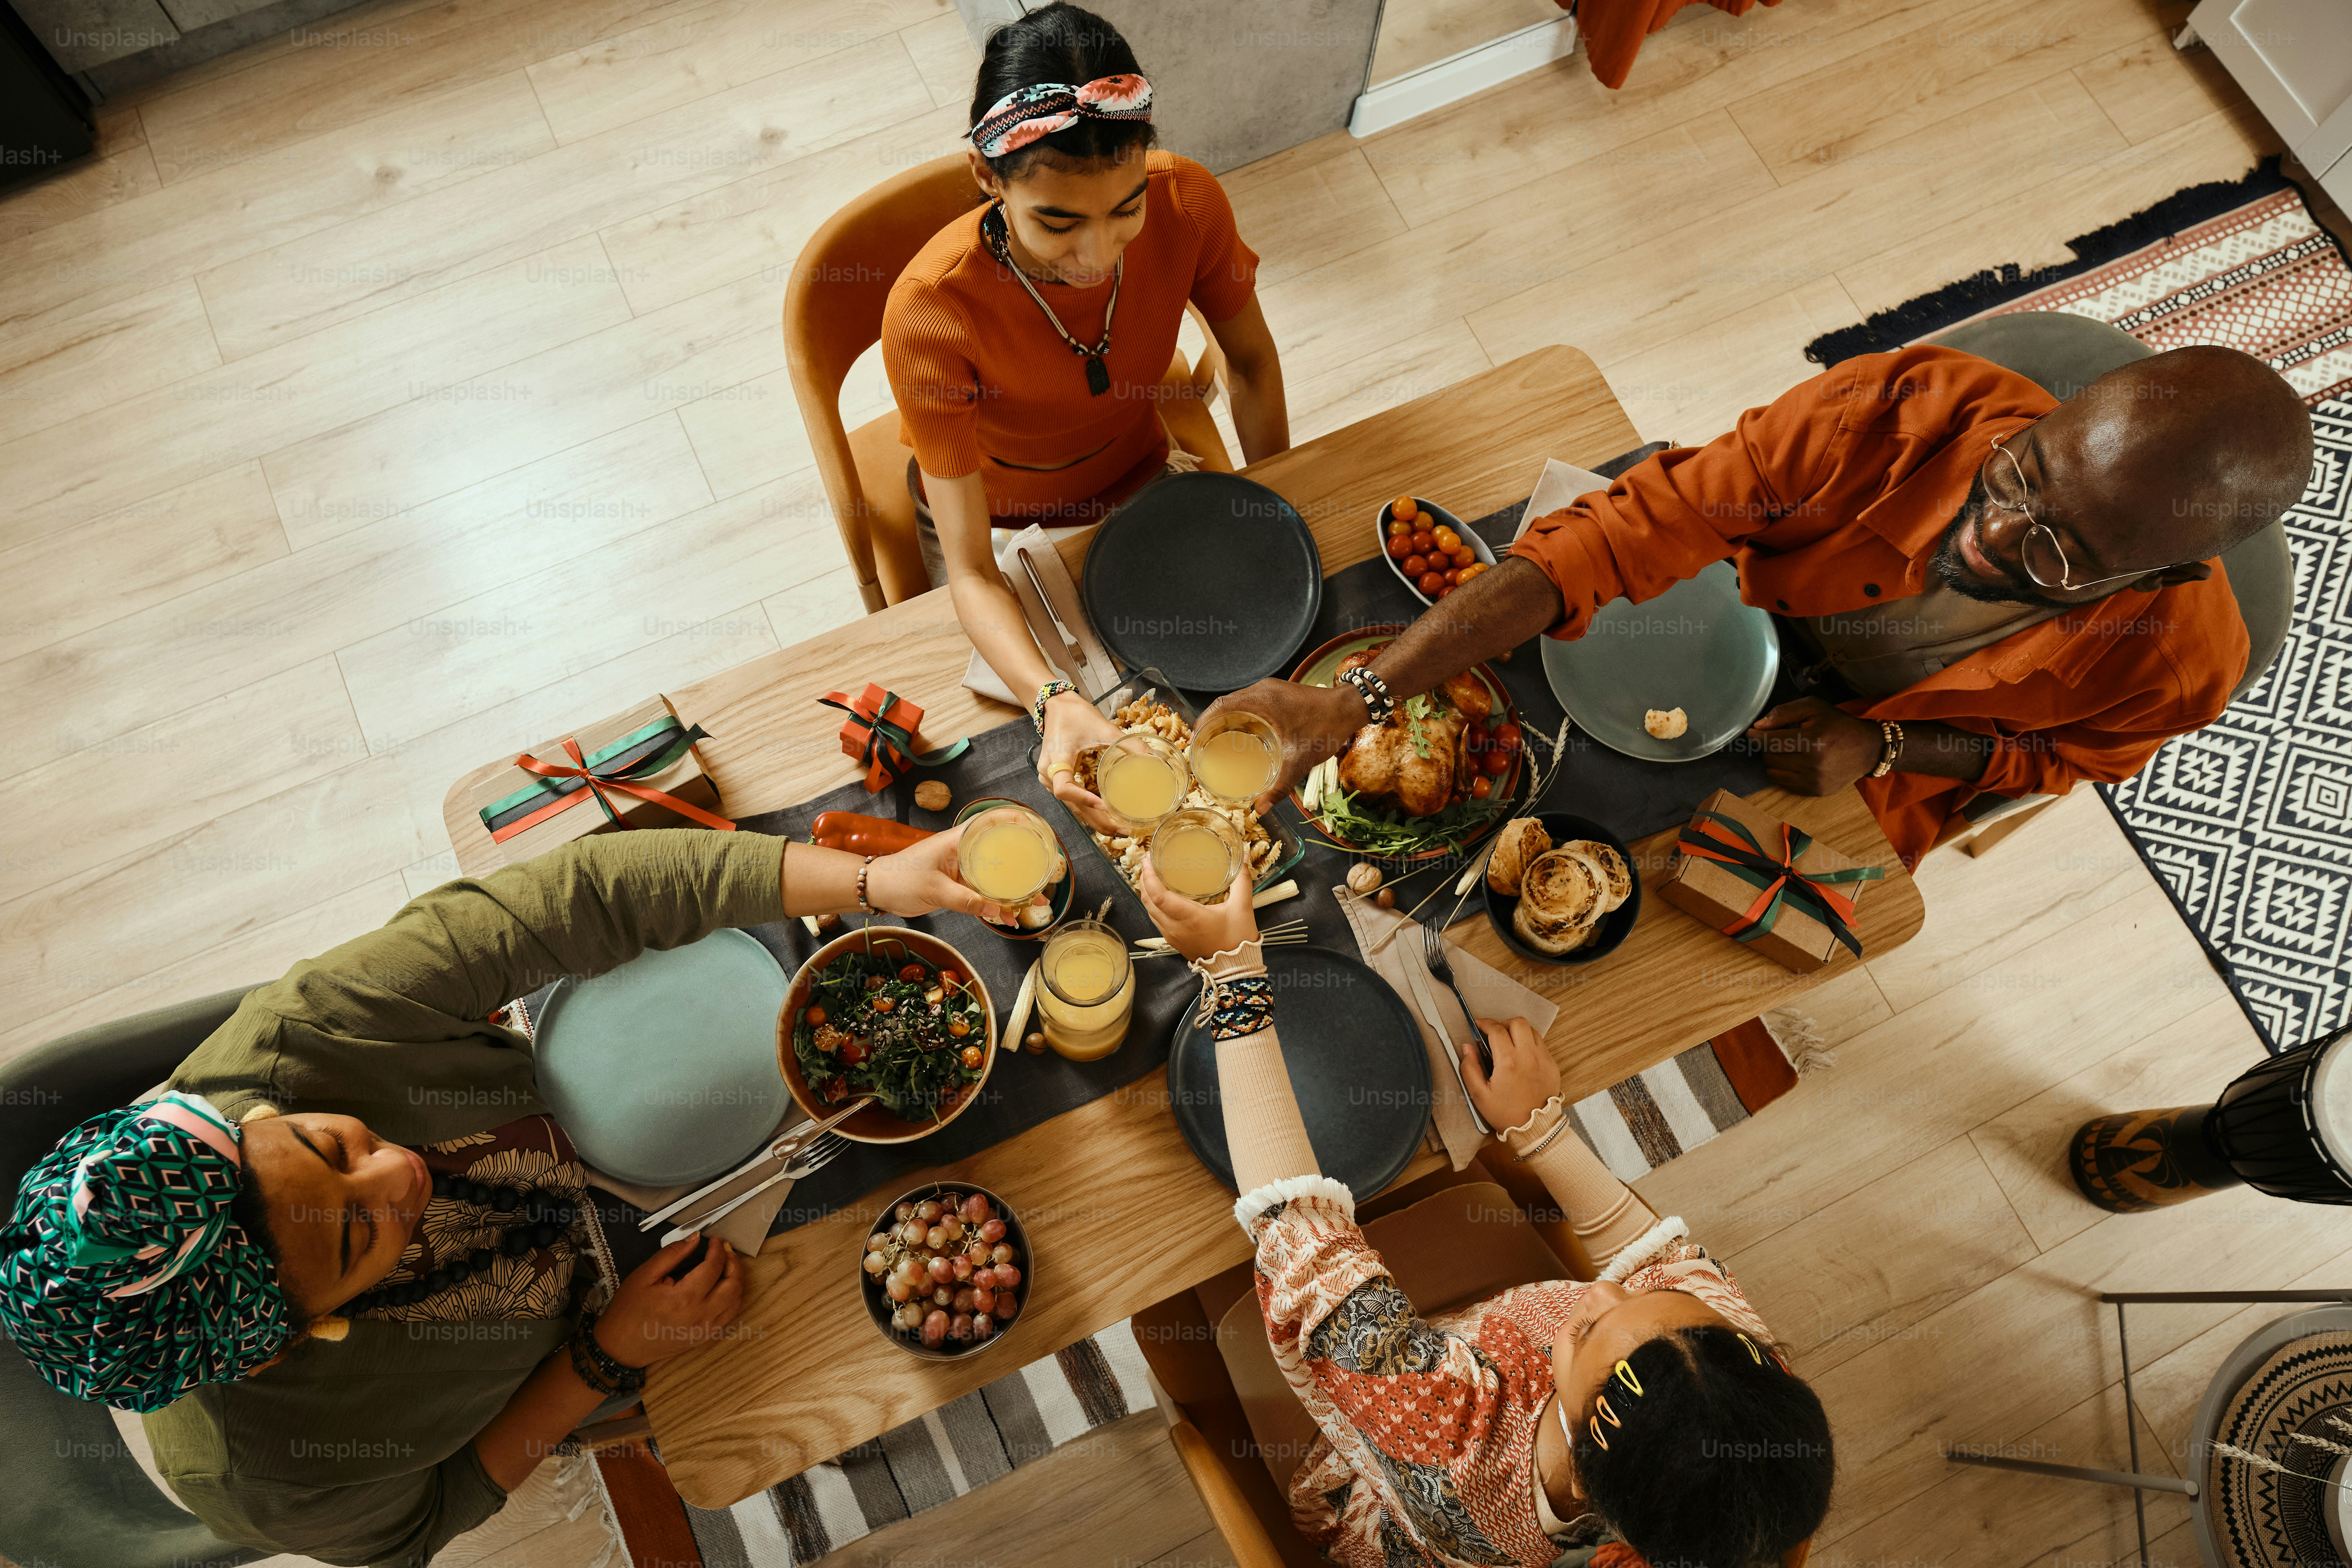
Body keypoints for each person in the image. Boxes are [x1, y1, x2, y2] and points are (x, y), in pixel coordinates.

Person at [0, 828, 994, 1567]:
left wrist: (870, 879)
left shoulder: (293, 1041)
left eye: (327, 1140)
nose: (398, 1171)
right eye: (355, 1236)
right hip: (595, 1332)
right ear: (291, 1337)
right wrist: (604, 1356)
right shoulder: (278, 1476)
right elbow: (434, 1512)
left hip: (585, 1131)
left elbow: (575, 896)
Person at [1209, 343, 2313, 867]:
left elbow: (2065, 763)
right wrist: (1363, 695)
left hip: (1843, 771)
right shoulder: (1894, 410)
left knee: (1632, 918)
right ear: (2045, 422)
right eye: (2020, 477)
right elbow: (1628, 527)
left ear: (2157, 581)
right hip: (1706, 620)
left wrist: (1885, 748)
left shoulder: (2178, 662)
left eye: (2066, 556)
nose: (1990, 537)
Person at [1137, 859, 1834, 1566]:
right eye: (1643, 1298)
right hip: (1470, 1336)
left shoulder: (1452, 1442)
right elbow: (1666, 1262)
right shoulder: (1728, 1381)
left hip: (1366, 1455)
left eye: (1589, 1327)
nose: (1601, 1287)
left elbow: (1296, 1231)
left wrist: (1230, 971)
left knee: (1170, 1203)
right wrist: (1541, 1131)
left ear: (1576, 1454)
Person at [881, 2, 1291, 834]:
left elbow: (1248, 363)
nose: (1097, 255)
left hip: (1139, 471)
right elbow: (967, 571)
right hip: (994, 528)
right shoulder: (929, 313)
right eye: (1056, 223)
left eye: (1125, 210)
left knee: (1237, 690)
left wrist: (1270, 499)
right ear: (987, 178)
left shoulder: (1189, 200)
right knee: (1053, 754)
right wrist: (1051, 698)